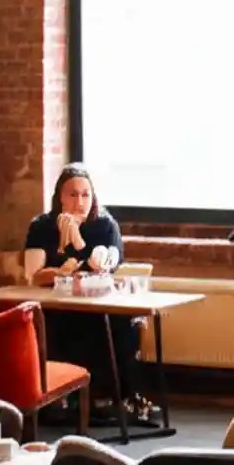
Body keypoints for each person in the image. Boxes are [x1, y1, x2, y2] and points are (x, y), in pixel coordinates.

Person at [24, 163, 158, 424]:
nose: (79, 201)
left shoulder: (105, 225)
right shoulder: (42, 226)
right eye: (72, 194)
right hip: (55, 305)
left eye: (85, 194)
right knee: (48, 323)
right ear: (59, 197)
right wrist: (63, 272)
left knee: (120, 325)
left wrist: (87, 253)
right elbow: (33, 275)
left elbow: (109, 262)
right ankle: (57, 397)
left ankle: (110, 398)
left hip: (94, 305)